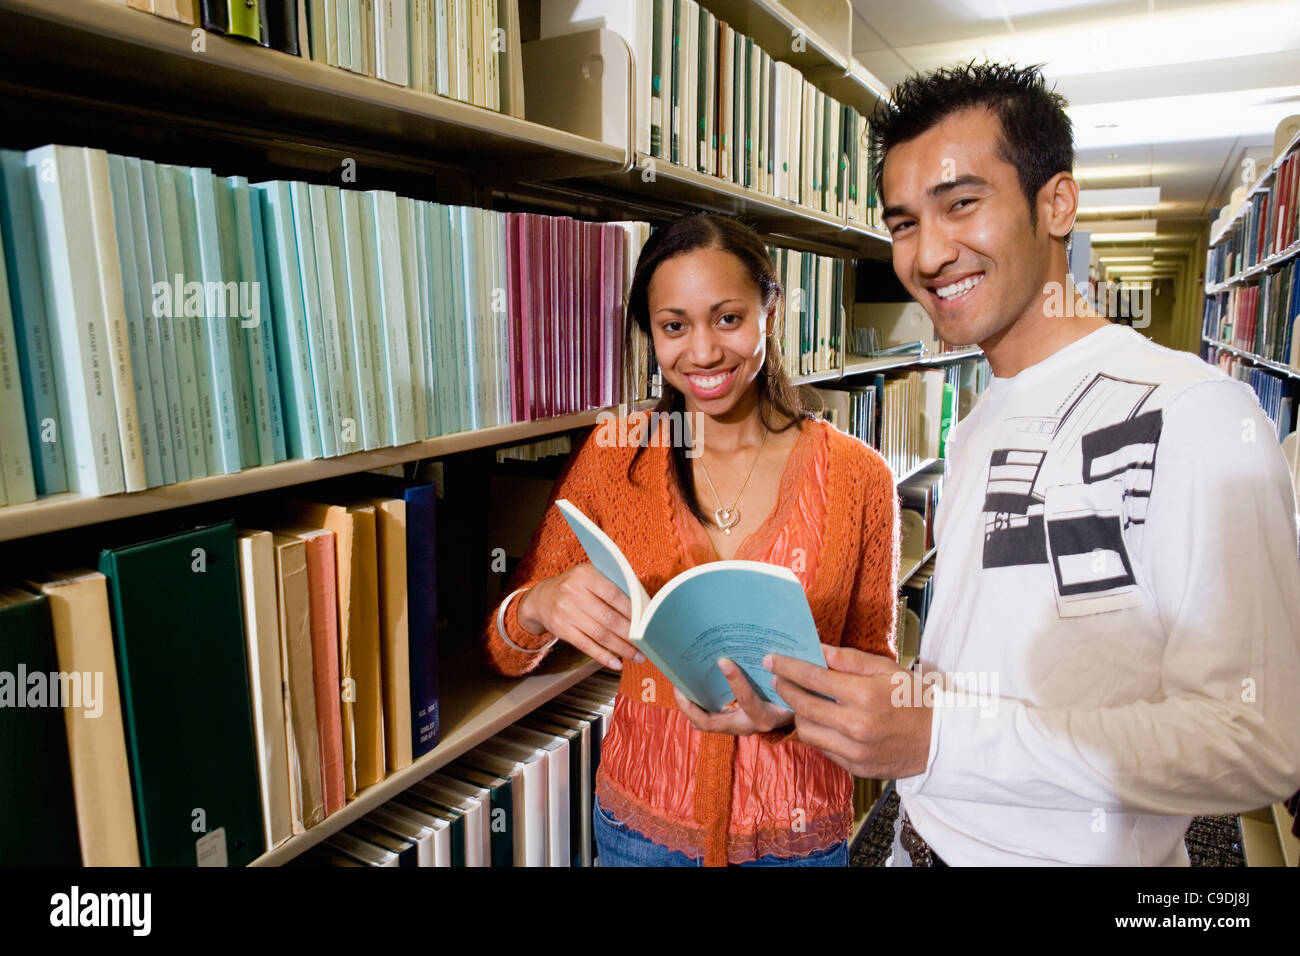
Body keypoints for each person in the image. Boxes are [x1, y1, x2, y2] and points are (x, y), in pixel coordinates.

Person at [765, 61, 1300, 866]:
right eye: (905, 222)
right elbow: (990, 661)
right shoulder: (981, 419)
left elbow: (1256, 739)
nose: (930, 254)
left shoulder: (1198, 416)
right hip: (920, 839)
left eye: (962, 204)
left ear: (1057, 202)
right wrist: (858, 700)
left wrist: (939, 737)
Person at [482, 212, 900, 866]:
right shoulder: (618, 453)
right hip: (640, 832)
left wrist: (790, 715)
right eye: (675, 327)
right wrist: (536, 606)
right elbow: (506, 651)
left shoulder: (858, 478)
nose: (703, 352)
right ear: (652, 335)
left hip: (796, 835)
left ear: (772, 311)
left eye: (728, 318)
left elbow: (876, 681)